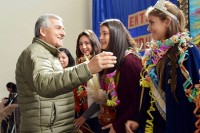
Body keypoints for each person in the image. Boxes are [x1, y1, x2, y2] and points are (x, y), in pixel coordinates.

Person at [15, 14, 116, 133]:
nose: (64, 33)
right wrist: (87, 68)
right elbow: (46, 83)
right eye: (58, 28)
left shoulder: (49, 54)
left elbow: (57, 78)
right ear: (43, 31)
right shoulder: (36, 53)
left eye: (63, 29)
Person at [125, 0, 200, 133]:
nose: (148, 28)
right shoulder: (154, 54)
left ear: (167, 21)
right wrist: (138, 120)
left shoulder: (187, 51)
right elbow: (149, 94)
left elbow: (192, 102)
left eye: (152, 22)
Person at [97, 19, 142, 133]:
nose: (101, 38)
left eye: (105, 33)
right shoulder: (111, 62)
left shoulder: (130, 62)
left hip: (128, 126)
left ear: (116, 34)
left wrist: (118, 125)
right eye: (100, 34)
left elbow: (139, 101)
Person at [73, 30, 102, 133]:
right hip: (81, 116)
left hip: (96, 118)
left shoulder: (99, 65)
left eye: (87, 43)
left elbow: (101, 98)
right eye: (80, 44)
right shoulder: (78, 66)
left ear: (93, 44)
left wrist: (84, 117)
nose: (83, 47)